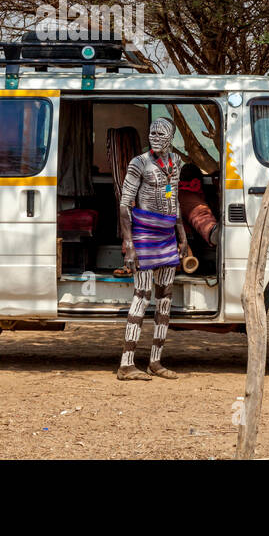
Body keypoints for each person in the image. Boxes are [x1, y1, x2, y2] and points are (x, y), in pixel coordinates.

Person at [115, 117, 188, 381]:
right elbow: (125, 203)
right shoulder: (139, 163)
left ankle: (155, 362)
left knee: (165, 298)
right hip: (144, 233)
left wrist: (182, 237)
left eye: (161, 133)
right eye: (152, 133)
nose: (155, 137)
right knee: (142, 295)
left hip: (167, 232)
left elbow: (175, 199)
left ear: (171, 137)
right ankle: (126, 364)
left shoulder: (176, 163)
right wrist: (128, 243)